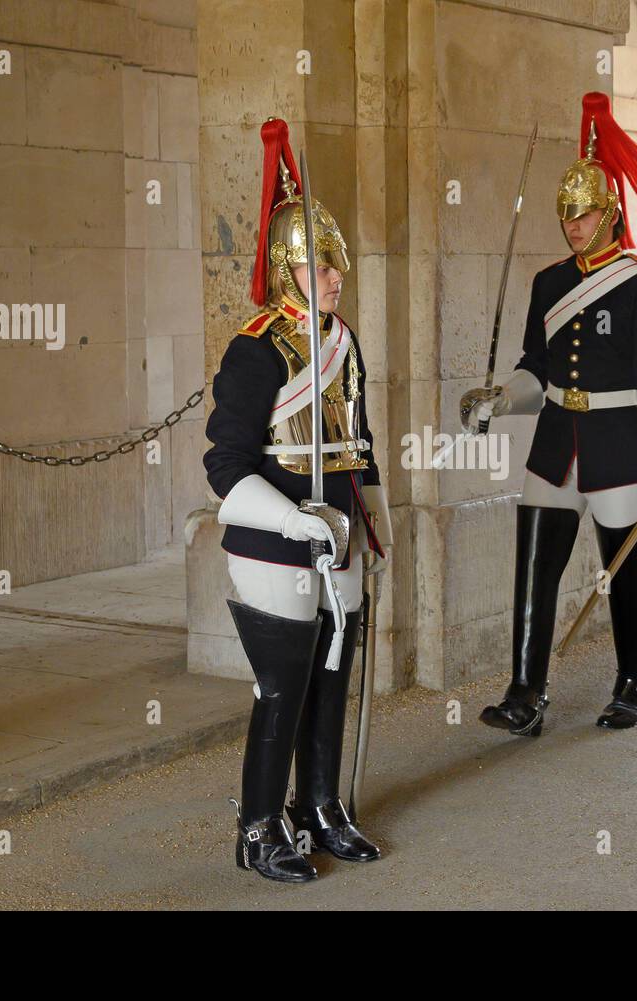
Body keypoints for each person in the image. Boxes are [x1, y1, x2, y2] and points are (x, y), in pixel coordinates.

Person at [462, 93, 637, 735]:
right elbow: (534, 370)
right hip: (555, 440)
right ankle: (525, 690)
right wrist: (500, 400)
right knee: (535, 564)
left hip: (620, 442)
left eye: (585, 212)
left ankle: (633, 681)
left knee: (623, 574)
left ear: (610, 211)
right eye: (567, 213)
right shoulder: (548, 283)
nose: (574, 224)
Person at [203, 118, 393, 883]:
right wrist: (292, 518)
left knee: (333, 675)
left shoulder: (343, 340)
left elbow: (361, 438)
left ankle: (320, 805)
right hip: (276, 534)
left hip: (342, 527)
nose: (334, 274)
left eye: (336, 261)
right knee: (281, 681)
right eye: (318, 264)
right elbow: (225, 466)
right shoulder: (255, 349)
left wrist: (376, 516)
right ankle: (258, 826)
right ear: (288, 270)